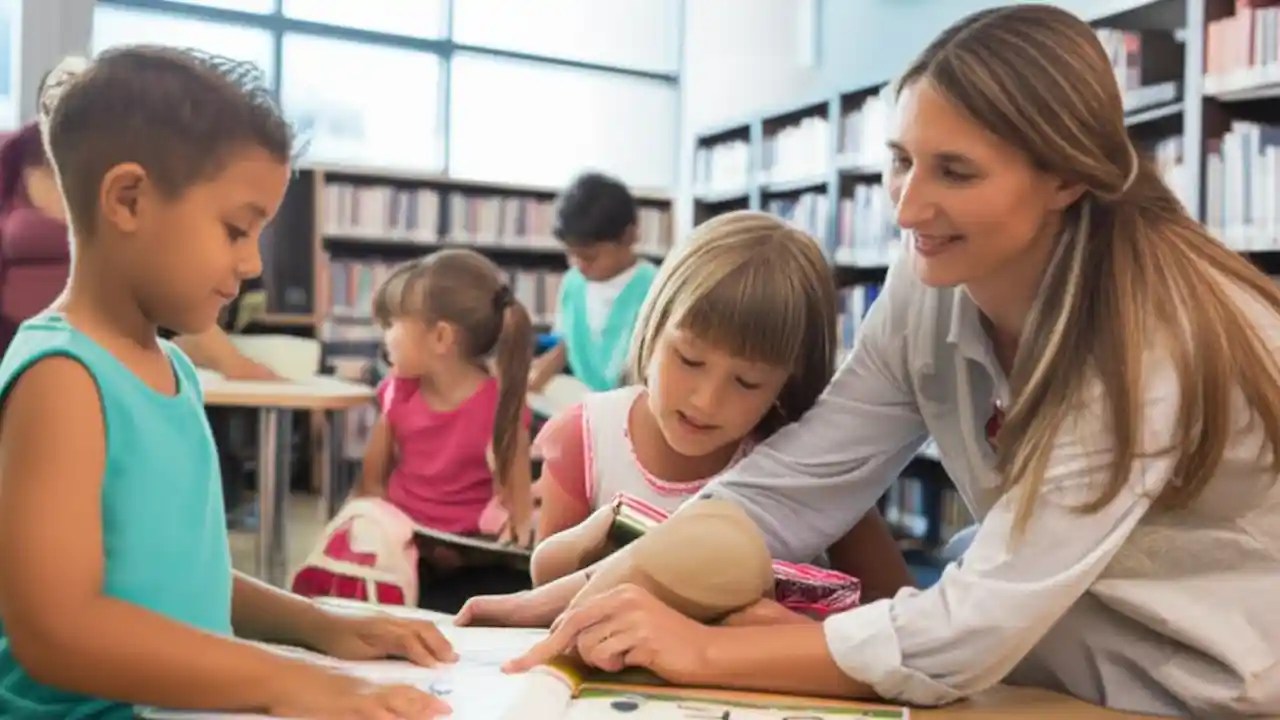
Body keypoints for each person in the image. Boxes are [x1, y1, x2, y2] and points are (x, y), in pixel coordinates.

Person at [465, 6, 1280, 718]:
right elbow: (794, 483)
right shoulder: (933, 283)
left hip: (1203, 691)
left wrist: (700, 652)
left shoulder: (1148, 338)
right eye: (902, 159)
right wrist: (570, 597)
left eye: (954, 172)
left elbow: (970, 625)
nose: (907, 205)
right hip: (1050, 666)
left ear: (1066, 178)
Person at [0, 48, 454, 719]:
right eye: (236, 229)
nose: (249, 263)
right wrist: (291, 682)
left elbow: (178, 577)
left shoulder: (175, 368)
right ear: (128, 200)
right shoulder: (62, 378)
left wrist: (317, 624)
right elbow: (57, 632)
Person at [529, 210, 913, 607]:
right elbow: (544, 591)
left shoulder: (811, 457)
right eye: (689, 360)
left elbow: (900, 610)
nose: (706, 401)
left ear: (789, 379)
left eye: (747, 382)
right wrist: (598, 533)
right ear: (654, 324)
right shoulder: (586, 436)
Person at [355, 249, 537, 608]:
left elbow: (517, 519)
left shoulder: (500, 408)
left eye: (393, 324)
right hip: (403, 548)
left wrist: (480, 549)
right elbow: (371, 485)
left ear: (440, 338)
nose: (386, 337)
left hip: (471, 558)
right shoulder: (398, 392)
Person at [528, 171, 659, 393]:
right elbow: (568, 343)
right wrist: (536, 376)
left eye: (589, 257)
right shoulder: (573, 284)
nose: (578, 264)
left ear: (629, 236)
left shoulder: (655, 287)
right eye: (571, 254)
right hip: (586, 402)